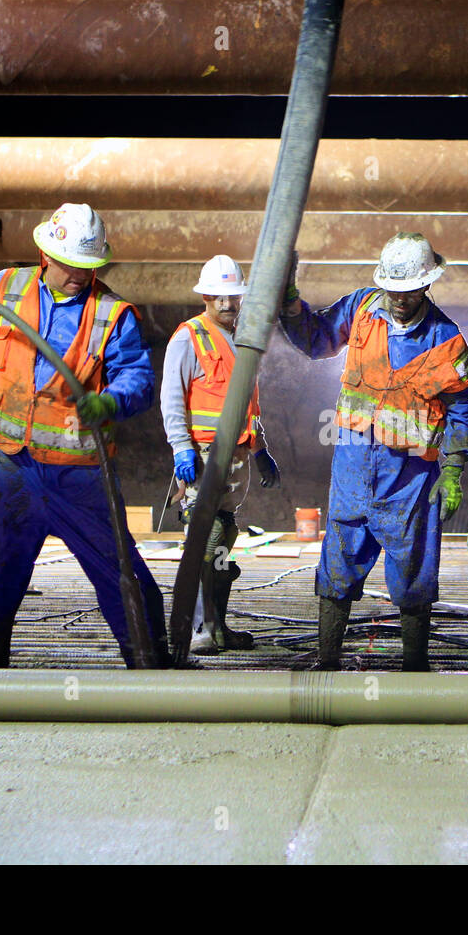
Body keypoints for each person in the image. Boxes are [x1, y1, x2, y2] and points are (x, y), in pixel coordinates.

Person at [0, 202, 171, 668]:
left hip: (79, 479)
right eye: (71, 265)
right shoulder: (5, 288)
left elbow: (137, 380)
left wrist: (110, 401)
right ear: (46, 255)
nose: (80, 275)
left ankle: (153, 672)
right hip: (10, 469)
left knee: (123, 578)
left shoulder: (113, 315)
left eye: (89, 267)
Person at [279, 233, 468, 670]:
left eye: (408, 292)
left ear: (427, 285)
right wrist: (290, 302)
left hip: (409, 479)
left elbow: (466, 408)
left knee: (412, 570)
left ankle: (414, 667)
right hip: (352, 467)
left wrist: (453, 471)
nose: (398, 300)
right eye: (392, 290)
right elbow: (316, 339)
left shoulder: (447, 340)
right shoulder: (361, 307)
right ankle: (327, 660)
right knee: (337, 562)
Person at [161, 254, 281, 655]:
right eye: (220, 296)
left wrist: (261, 450)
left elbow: (248, 403)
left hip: (236, 460)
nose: (227, 304)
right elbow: (172, 399)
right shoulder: (189, 337)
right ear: (206, 295)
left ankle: (217, 626)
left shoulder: (242, 340)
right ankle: (198, 630)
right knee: (205, 541)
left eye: (234, 296)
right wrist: (181, 448)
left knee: (223, 542)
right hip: (203, 458)